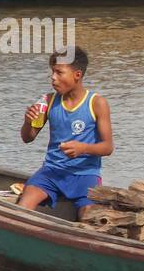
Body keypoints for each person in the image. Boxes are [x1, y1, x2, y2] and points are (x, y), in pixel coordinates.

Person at [18, 46, 114, 218]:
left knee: (89, 217)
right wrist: (27, 122)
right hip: (51, 173)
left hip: (85, 175)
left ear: (77, 75)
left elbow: (107, 147)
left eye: (59, 72)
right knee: (22, 208)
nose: (53, 78)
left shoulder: (97, 104)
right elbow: (28, 138)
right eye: (52, 73)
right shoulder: (48, 101)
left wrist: (83, 148)